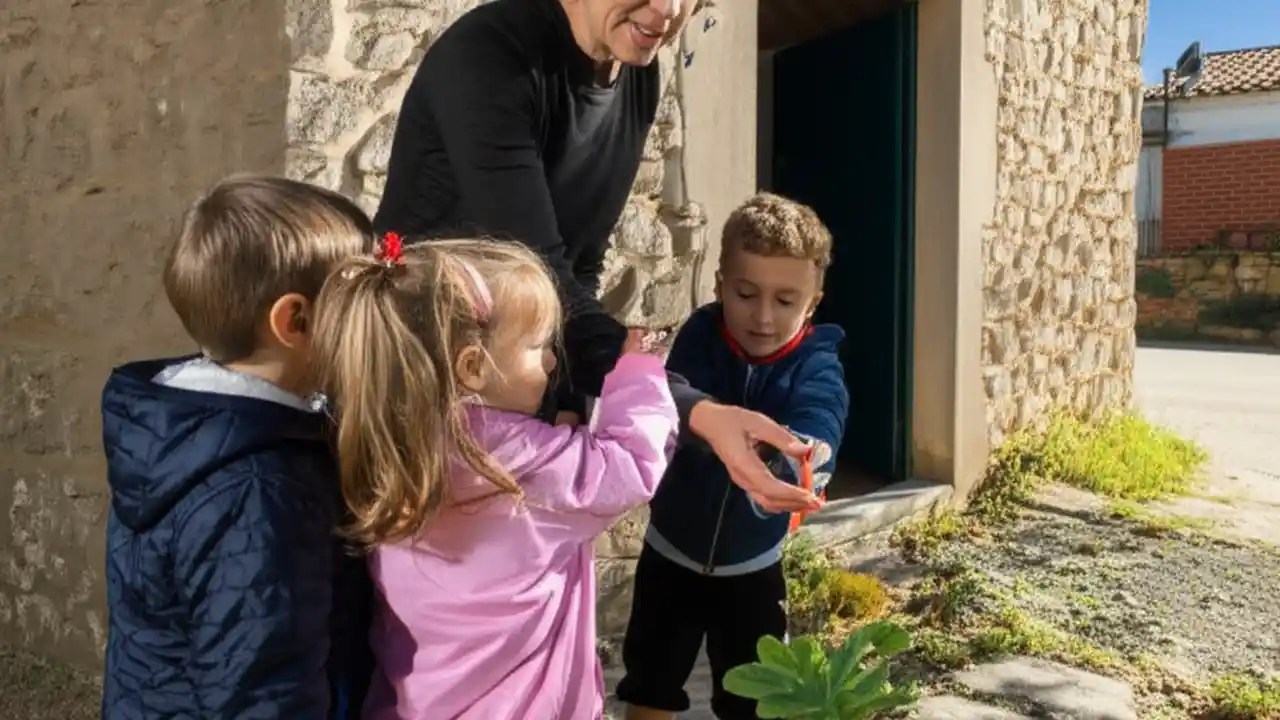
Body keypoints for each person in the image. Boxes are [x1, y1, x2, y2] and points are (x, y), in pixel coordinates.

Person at [373, 0, 818, 515]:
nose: (667, 10)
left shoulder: (636, 77)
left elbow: (581, 266)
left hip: (511, 402)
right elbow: (544, 271)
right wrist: (696, 411)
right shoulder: (491, 56)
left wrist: (566, 396)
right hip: (417, 406)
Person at [307, 236, 679, 720]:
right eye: (538, 346)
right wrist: (638, 373)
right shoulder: (525, 465)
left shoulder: (386, 441)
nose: (551, 362)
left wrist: (555, 443)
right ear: (473, 366)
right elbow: (632, 464)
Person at [100, 176, 376, 719]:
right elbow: (265, 689)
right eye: (360, 306)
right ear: (294, 320)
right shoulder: (256, 487)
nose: (374, 323)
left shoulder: (183, 429)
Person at [615, 193, 851, 720]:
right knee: (650, 687)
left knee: (754, 703)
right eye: (746, 293)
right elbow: (679, 404)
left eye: (786, 301)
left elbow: (822, 413)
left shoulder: (817, 363)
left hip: (753, 569)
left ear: (813, 302)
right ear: (719, 284)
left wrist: (806, 452)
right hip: (670, 551)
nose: (763, 317)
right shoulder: (701, 334)